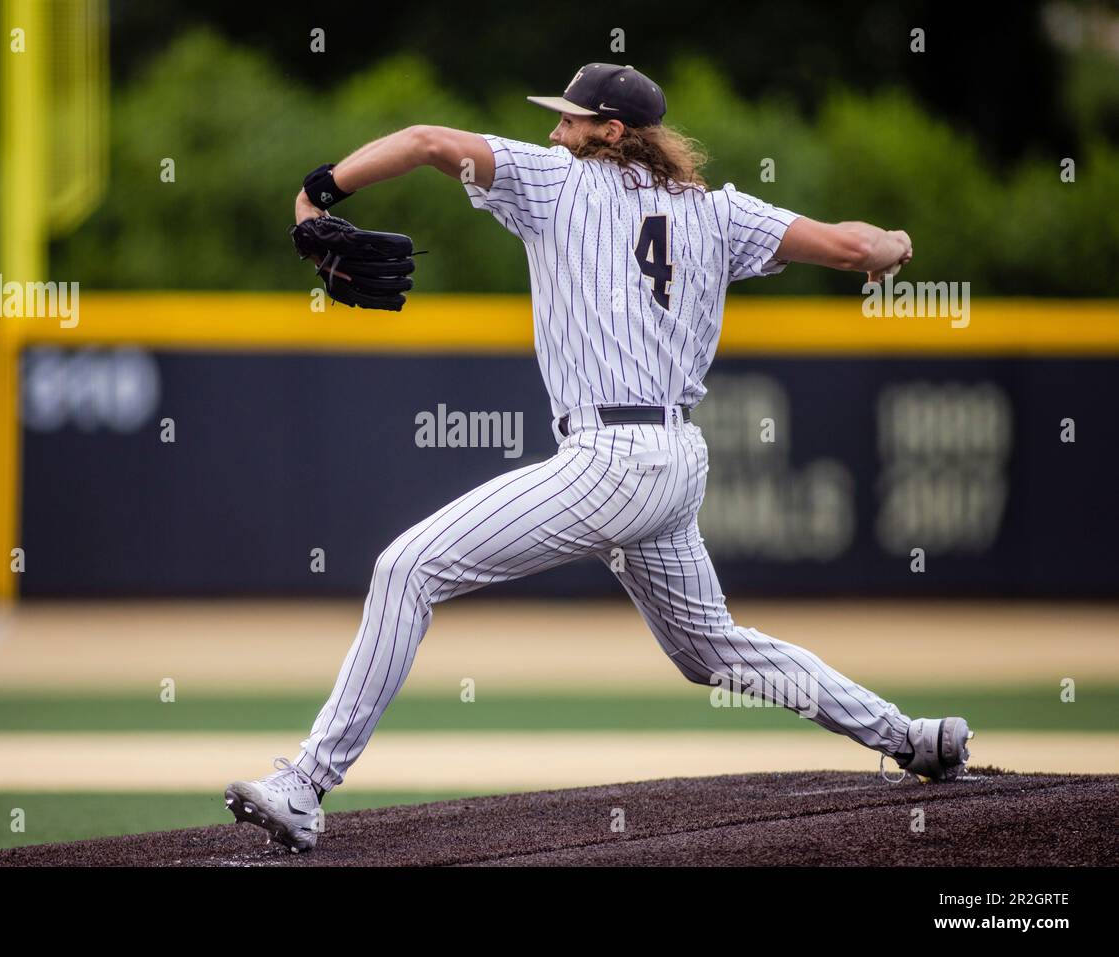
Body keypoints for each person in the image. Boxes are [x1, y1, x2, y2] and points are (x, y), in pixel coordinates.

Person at [225, 63, 972, 853]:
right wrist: (893, 244)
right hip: (676, 461)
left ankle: (304, 784)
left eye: (570, 120)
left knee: (405, 568)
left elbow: (424, 141)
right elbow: (857, 247)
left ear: (612, 135)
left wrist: (318, 193)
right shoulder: (720, 214)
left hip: (610, 458)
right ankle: (912, 736)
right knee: (711, 650)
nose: (555, 131)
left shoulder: (557, 181)